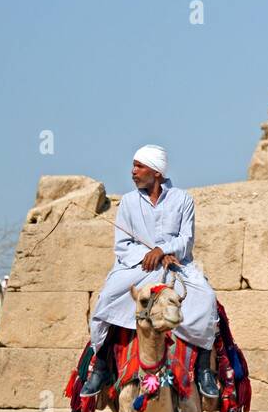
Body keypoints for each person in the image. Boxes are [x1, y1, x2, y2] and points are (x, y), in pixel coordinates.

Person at [81, 145, 219, 398]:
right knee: (108, 299)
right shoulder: (128, 202)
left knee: (206, 298)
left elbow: (186, 239)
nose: (133, 172)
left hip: (177, 265)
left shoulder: (183, 199)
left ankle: (203, 370)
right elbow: (122, 245)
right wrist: (149, 256)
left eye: (139, 166)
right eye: (133, 166)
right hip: (136, 267)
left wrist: (163, 250)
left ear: (156, 172)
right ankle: (100, 366)